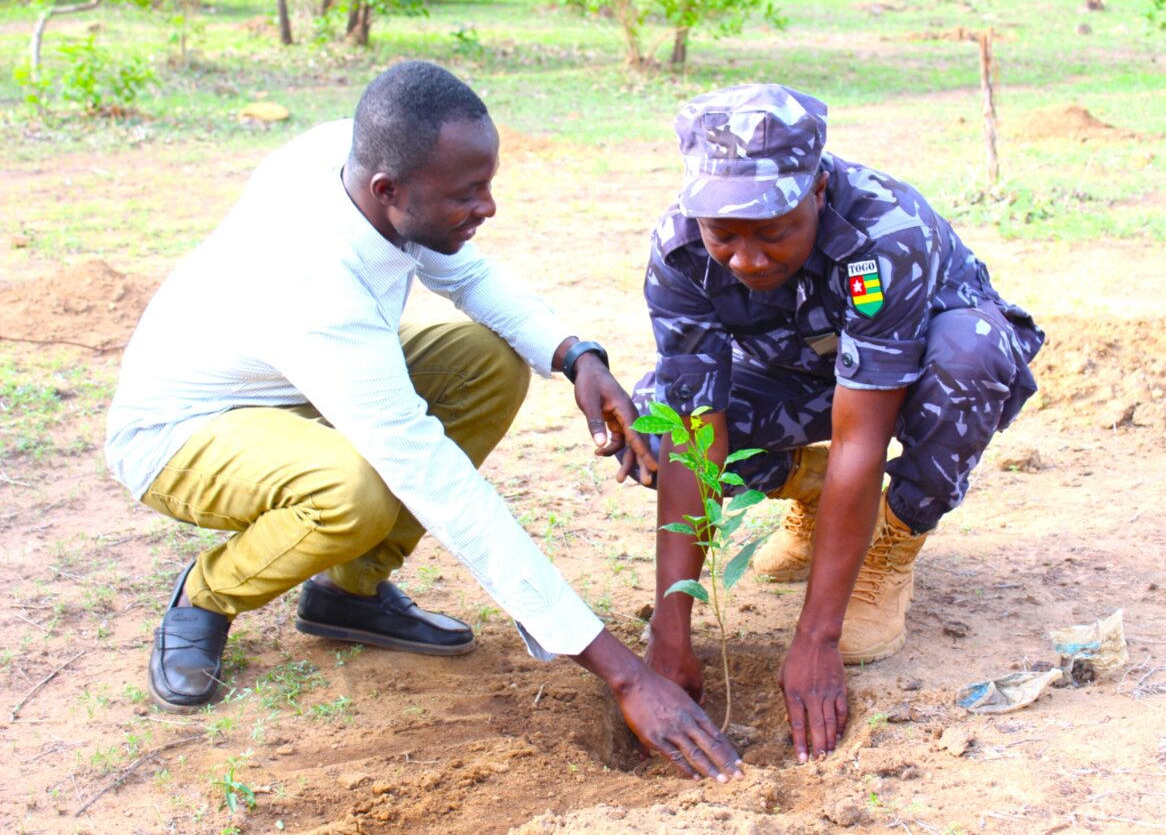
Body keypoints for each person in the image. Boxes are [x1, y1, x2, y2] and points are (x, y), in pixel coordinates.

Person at [105, 61, 742, 782]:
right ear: (389, 190)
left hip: (305, 381)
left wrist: (576, 357)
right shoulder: (313, 278)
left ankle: (349, 593)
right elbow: (440, 485)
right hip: (186, 426)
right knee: (352, 491)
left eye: (488, 185)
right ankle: (207, 593)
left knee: (490, 363)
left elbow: (466, 272)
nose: (489, 208)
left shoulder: (352, 157)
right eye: (468, 195)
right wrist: (626, 674)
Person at [623, 84, 1044, 764]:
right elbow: (697, 434)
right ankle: (809, 493)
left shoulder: (885, 235)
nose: (748, 259)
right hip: (796, 371)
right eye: (724, 234)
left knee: (973, 351)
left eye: (774, 231)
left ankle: (892, 539)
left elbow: (860, 435)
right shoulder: (678, 251)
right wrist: (671, 629)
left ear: (817, 188)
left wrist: (816, 637)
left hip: (913, 373)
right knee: (652, 417)